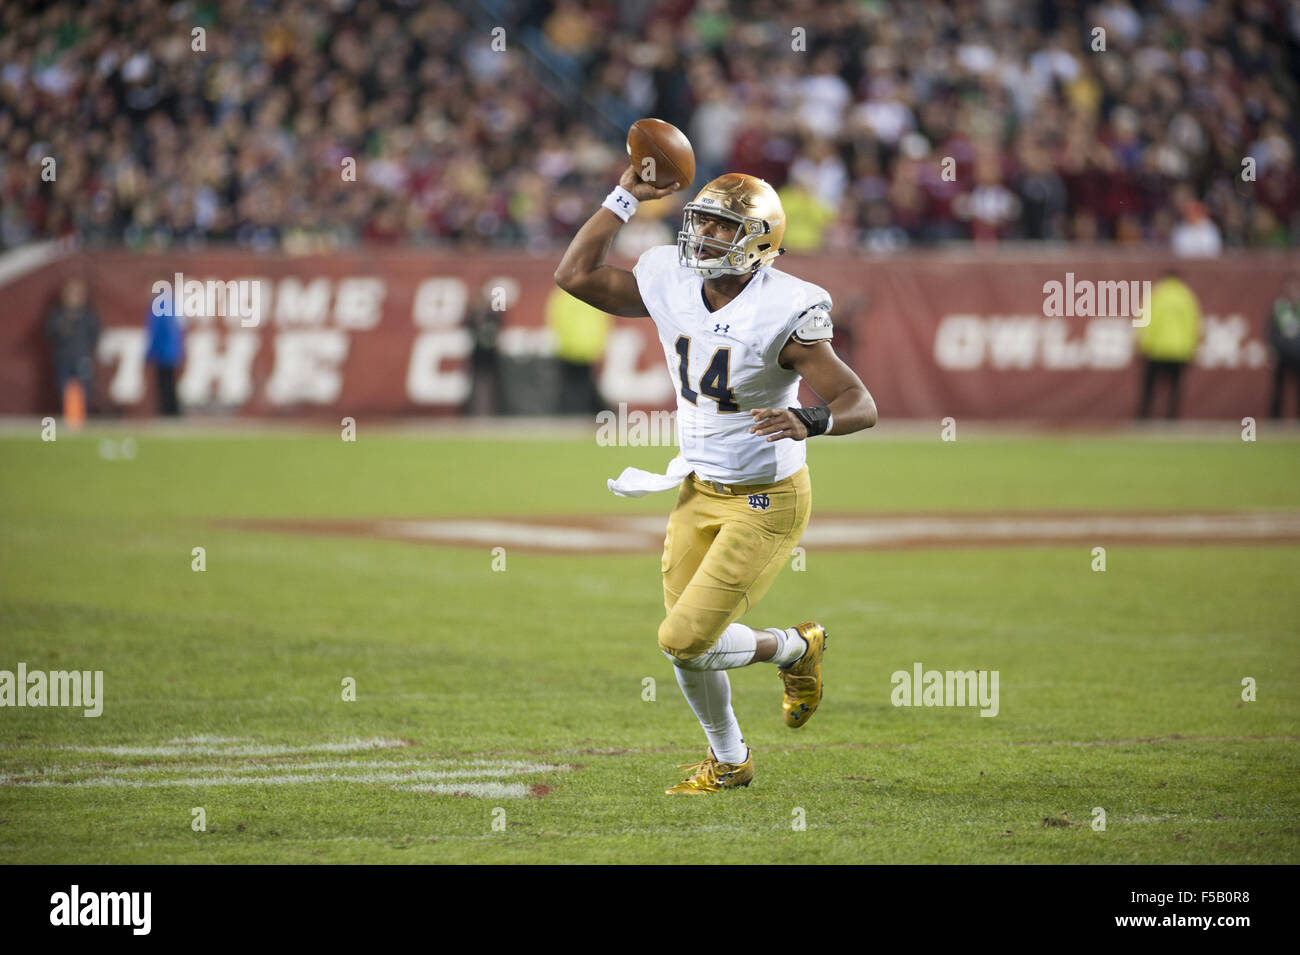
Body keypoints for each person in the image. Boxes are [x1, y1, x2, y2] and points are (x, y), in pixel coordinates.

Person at [554, 165, 877, 794]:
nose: (702, 236)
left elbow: (859, 403)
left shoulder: (784, 309)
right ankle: (731, 759)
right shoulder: (671, 279)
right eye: (700, 221)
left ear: (759, 240)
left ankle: (792, 648)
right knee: (690, 646)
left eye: (722, 227)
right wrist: (625, 197)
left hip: (766, 499)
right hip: (698, 487)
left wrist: (807, 419)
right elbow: (574, 275)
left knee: (682, 639)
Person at [1136, 269, 1201, 420]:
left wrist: (1143, 344)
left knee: (1150, 387)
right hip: (1180, 350)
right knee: (1175, 388)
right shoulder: (1186, 297)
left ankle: (1144, 417)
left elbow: (1144, 322)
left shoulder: (1156, 295)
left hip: (1156, 349)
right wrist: (1192, 347)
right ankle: (1171, 418)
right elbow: (1194, 325)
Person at [45, 277, 100, 424]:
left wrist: (88, 351)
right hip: (63, 357)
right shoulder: (58, 314)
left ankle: (81, 418)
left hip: (82, 357)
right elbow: (50, 334)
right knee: (64, 389)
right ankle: (68, 418)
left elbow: (95, 334)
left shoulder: (88, 314)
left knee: (84, 389)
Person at [145, 295, 185, 416]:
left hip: (163, 353)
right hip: (172, 352)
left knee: (165, 384)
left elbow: (156, 332)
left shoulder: (160, 307)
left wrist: (150, 352)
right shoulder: (172, 306)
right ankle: (172, 411)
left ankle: (169, 411)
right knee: (169, 383)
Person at [1267, 275, 1300, 419]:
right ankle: (1275, 419)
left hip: (1298, 354)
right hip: (1283, 354)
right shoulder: (1280, 309)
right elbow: (1271, 330)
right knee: (1278, 389)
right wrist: (1273, 349)